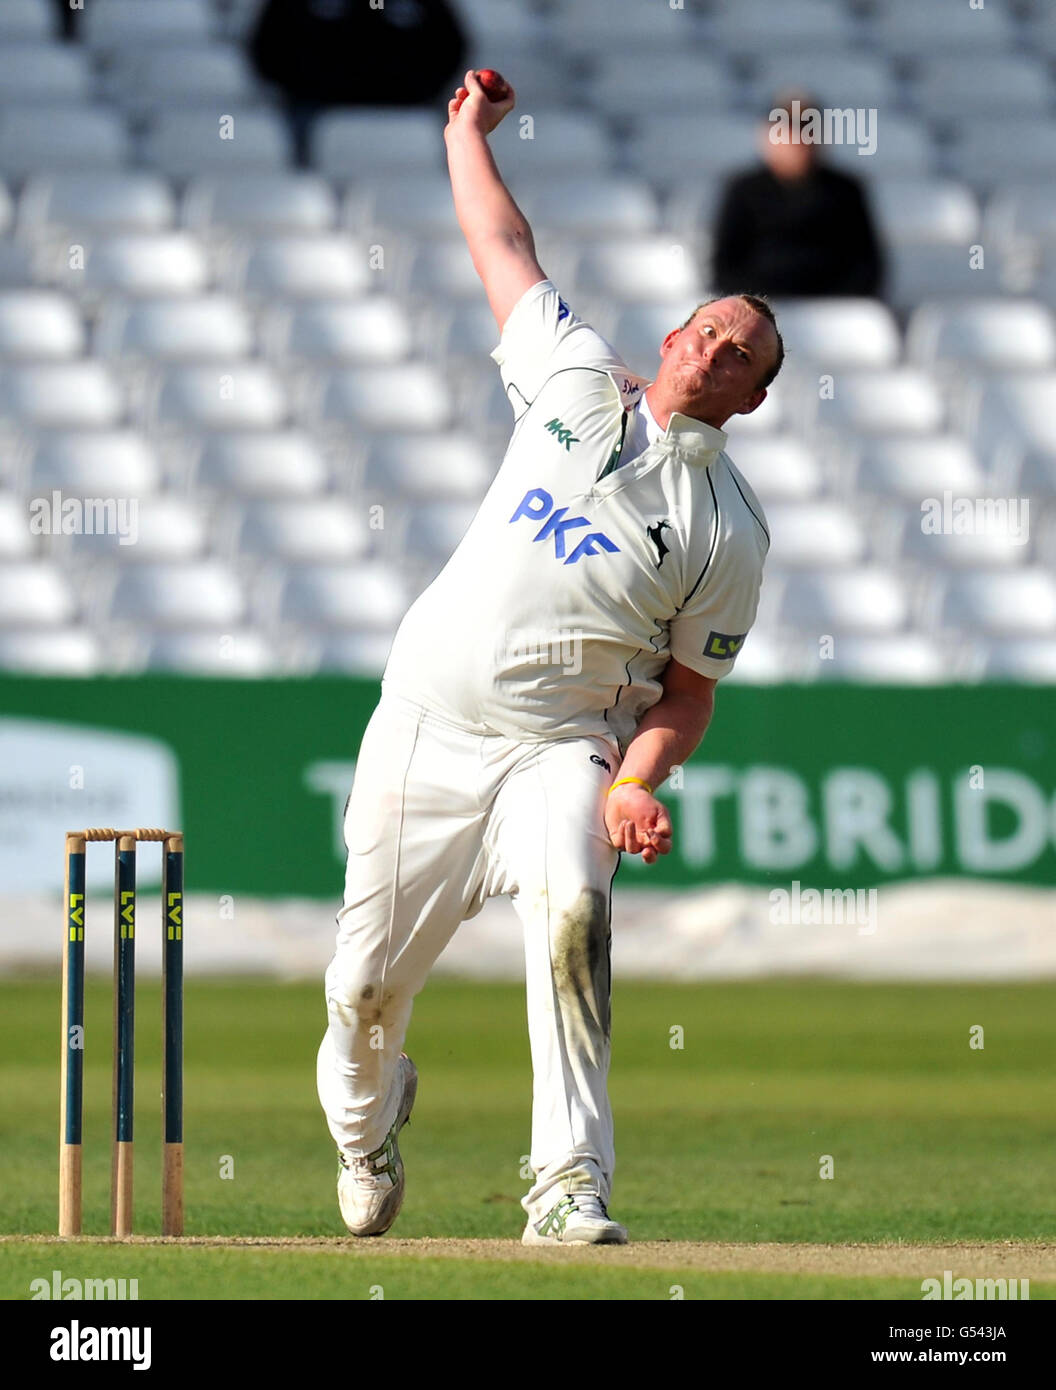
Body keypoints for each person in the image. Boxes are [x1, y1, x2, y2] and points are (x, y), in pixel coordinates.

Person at [315, 70, 783, 1246]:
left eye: (743, 353)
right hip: (423, 726)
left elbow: (687, 695)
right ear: (675, 334)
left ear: (752, 397)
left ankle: (568, 1185)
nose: (718, 346)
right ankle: (367, 1132)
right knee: (362, 996)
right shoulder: (571, 375)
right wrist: (465, 130)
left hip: (561, 752)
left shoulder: (728, 529)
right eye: (712, 326)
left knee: (576, 910)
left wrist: (634, 781)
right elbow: (500, 239)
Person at [247, 0, 466, 167]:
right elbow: (268, 48)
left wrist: (416, 89)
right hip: (316, 109)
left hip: (406, 108)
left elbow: (450, 47)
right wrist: (308, 85)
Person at [712, 92, 884, 299]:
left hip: (833, 311)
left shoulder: (846, 191)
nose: (800, 140)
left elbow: (867, 267)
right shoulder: (743, 190)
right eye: (790, 130)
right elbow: (725, 269)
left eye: (808, 129)